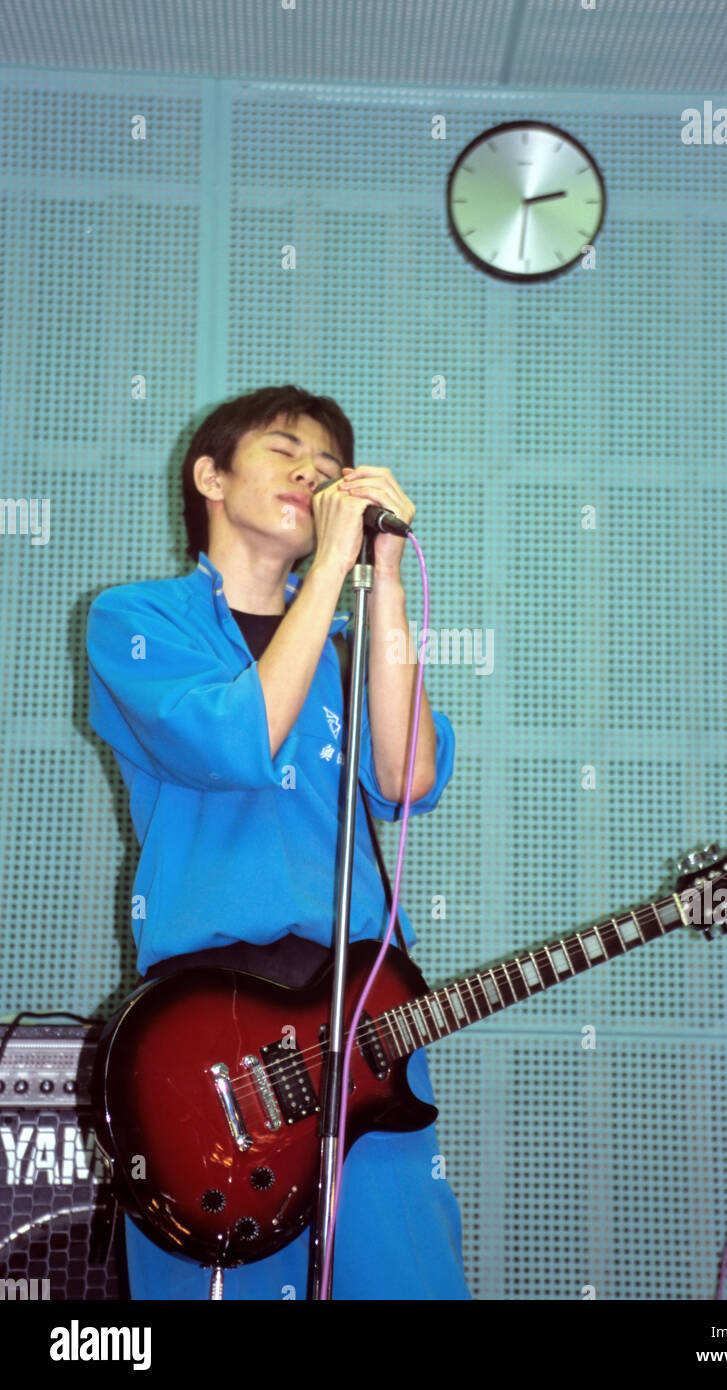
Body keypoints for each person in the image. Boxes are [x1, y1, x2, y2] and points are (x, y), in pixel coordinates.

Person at [86, 384, 470, 1300]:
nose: (315, 471)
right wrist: (331, 566)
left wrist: (377, 578)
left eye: (332, 464)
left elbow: (407, 775)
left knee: (401, 1269)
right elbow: (235, 739)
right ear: (209, 475)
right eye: (284, 449)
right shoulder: (137, 621)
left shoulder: (346, 638)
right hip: (211, 1037)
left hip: (363, 1006)